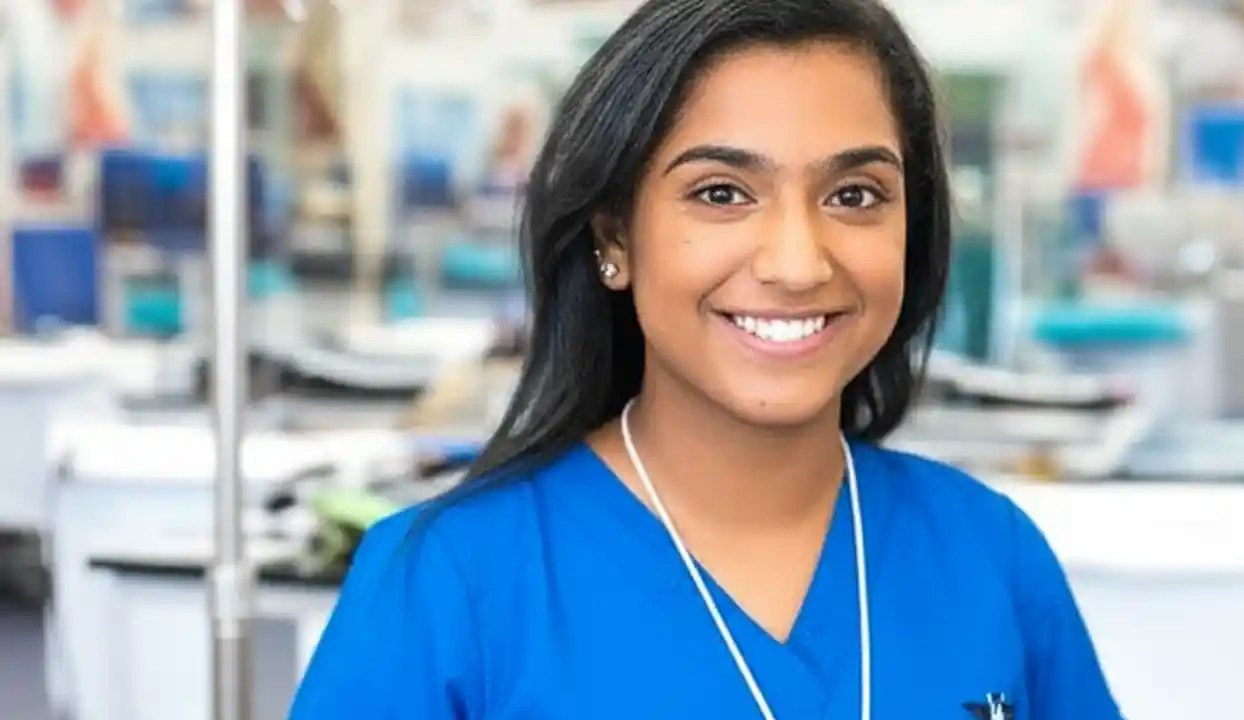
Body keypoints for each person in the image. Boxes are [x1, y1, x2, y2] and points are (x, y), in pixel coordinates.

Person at [290, 0, 1123, 718]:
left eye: (854, 195)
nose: (797, 263)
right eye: (721, 193)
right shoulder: (445, 585)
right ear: (615, 237)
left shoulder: (991, 556)